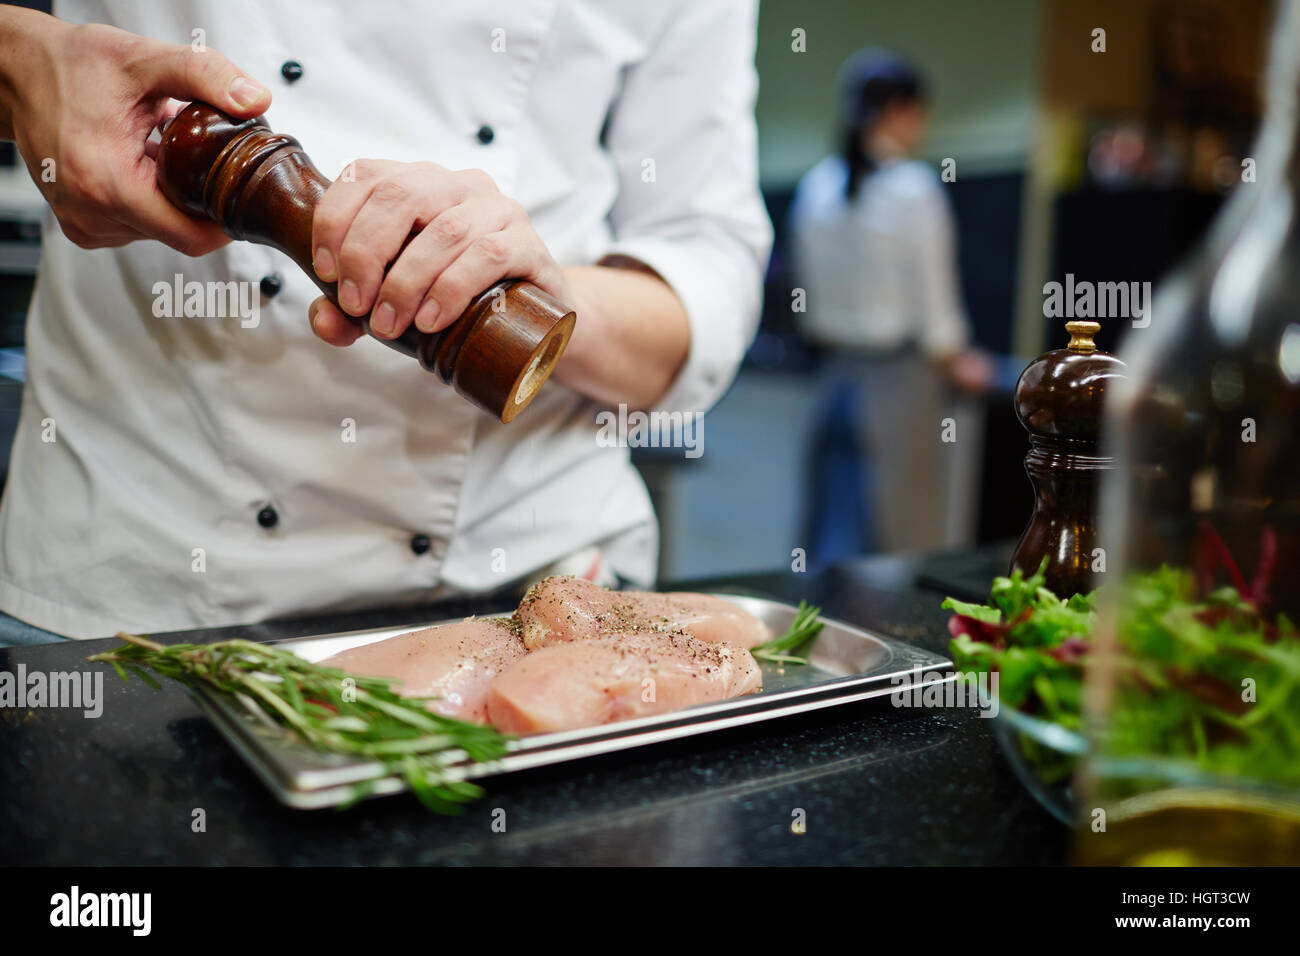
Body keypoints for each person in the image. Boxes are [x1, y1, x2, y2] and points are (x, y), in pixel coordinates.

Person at [0, 1, 771, 643]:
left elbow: (704, 261)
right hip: (144, 579)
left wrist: (541, 296)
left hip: (538, 588)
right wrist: (26, 63)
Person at [788, 48, 991, 555]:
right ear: (900, 110)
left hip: (833, 381)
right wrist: (958, 358)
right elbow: (937, 311)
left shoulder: (815, 188)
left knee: (828, 531)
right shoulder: (914, 188)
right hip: (901, 382)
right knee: (899, 537)